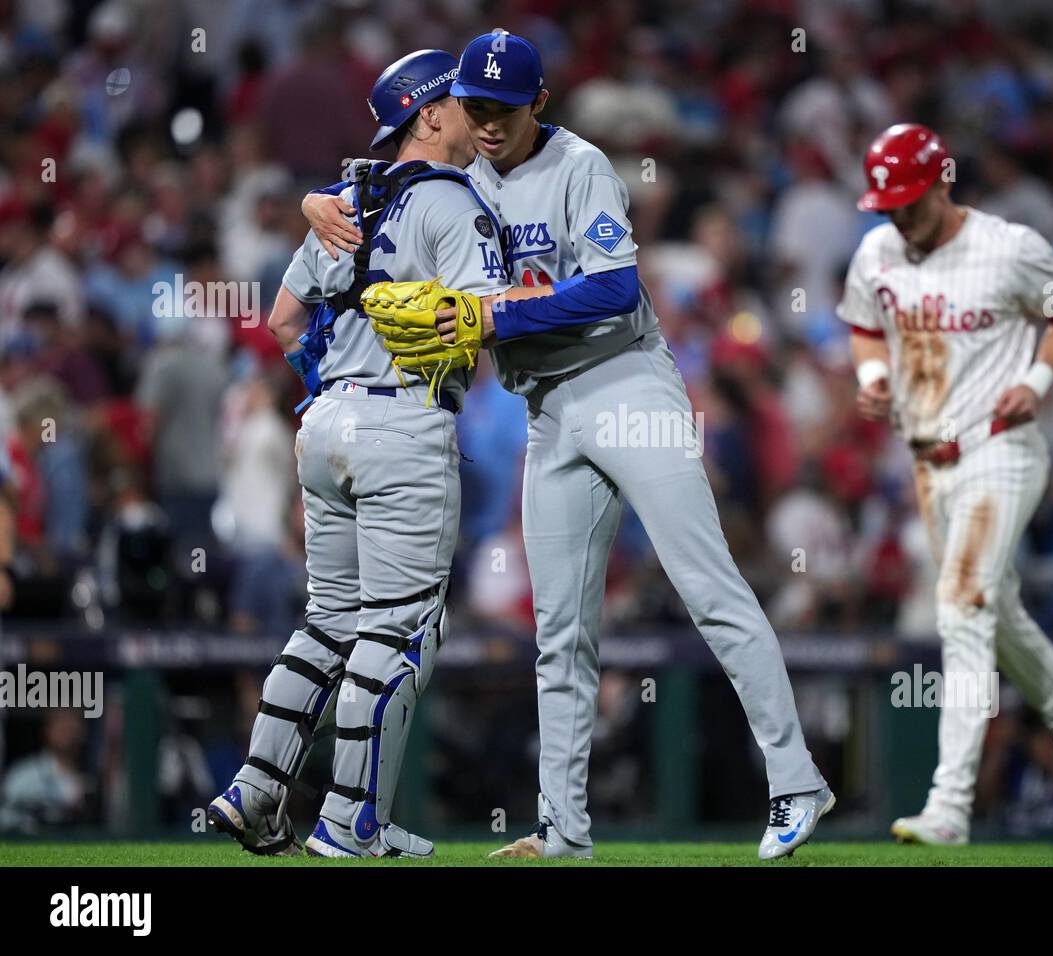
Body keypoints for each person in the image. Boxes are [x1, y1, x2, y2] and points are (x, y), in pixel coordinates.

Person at [304, 31, 831, 860]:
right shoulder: (460, 177)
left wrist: (490, 316)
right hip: (546, 406)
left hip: (628, 385)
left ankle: (798, 783)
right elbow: (378, 188)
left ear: (537, 103)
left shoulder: (580, 165)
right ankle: (563, 830)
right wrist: (316, 205)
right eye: (473, 107)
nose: (483, 123)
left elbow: (615, 286)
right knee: (560, 632)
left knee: (707, 585)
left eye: (501, 111)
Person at [206, 49, 508, 858]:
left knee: (330, 622)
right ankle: (350, 820)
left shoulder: (342, 201)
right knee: (400, 630)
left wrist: (337, 370)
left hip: (324, 422)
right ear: (430, 114)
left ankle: (257, 789)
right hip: (403, 426)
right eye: (461, 102)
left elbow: (279, 321)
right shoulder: (453, 203)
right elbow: (483, 315)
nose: (477, 115)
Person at [841, 124, 1053, 844]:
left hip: (1001, 450)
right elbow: (865, 323)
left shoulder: (1008, 246)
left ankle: (950, 805)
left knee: (962, 608)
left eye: (910, 200)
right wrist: (872, 375)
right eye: (889, 204)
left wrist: (1038, 378)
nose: (899, 217)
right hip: (929, 463)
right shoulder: (878, 250)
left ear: (945, 181)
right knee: (995, 614)